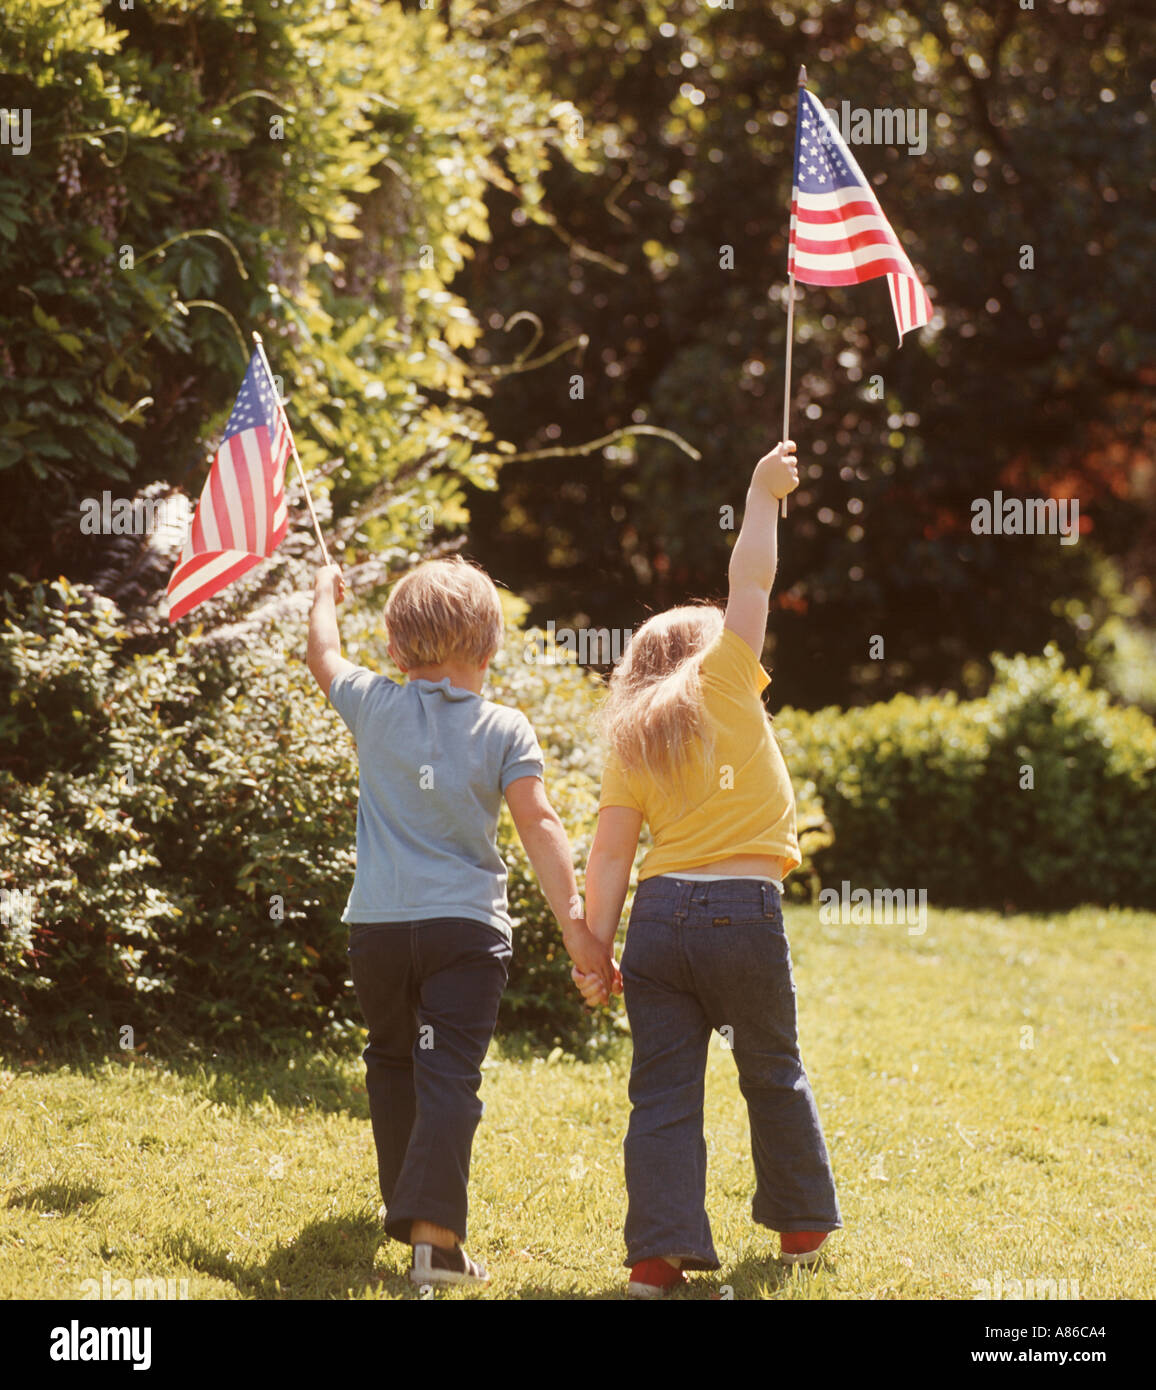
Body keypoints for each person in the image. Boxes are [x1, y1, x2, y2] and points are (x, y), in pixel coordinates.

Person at [574, 439, 842, 1298]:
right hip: (742, 914)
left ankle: (656, 1261)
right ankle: (800, 1228)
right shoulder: (725, 678)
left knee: (661, 1093)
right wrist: (761, 493)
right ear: (707, 653)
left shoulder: (630, 737)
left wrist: (592, 948)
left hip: (656, 924)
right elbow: (754, 580)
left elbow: (611, 852)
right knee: (772, 1067)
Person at [308, 555, 616, 1288]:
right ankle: (435, 1241)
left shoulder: (372, 703)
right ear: (489, 648)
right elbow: (539, 824)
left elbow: (321, 652)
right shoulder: (503, 726)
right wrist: (578, 927)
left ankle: (409, 1211)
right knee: (448, 1073)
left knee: (391, 1061)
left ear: (393, 648)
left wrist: (324, 594)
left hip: (378, 930)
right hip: (466, 932)